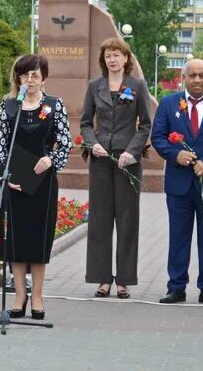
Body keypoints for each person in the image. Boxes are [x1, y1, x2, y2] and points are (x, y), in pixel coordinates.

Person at [0, 54, 71, 320]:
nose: (30, 80)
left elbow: (66, 141)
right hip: (14, 182)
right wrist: (4, 173)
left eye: (35, 75)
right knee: (16, 240)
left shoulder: (54, 104)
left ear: (44, 78)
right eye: (25, 75)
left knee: (38, 240)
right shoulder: (9, 105)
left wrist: (51, 159)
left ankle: (37, 295)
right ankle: (18, 295)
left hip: (42, 182)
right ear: (18, 78)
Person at [151, 58, 203, 305]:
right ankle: (176, 287)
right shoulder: (168, 104)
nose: (197, 80)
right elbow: (158, 137)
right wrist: (176, 155)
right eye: (192, 75)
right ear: (184, 78)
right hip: (179, 184)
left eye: (202, 75)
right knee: (178, 237)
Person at [80, 38, 152, 300]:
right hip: (100, 161)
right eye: (108, 55)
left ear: (126, 59)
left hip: (128, 163)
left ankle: (123, 281)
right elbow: (86, 123)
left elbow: (145, 125)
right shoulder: (94, 87)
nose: (112, 60)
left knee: (127, 220)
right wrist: (92, 143)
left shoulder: (137, 86)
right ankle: (102, 279)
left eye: (117, 55)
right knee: (99, 221)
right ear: (104, 60)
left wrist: (132, 152)